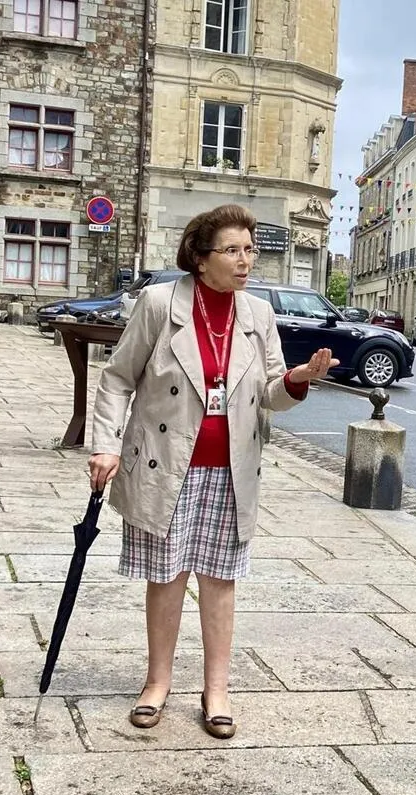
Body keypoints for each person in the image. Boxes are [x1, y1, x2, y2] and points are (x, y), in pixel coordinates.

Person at [88, 204, 338, 739]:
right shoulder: (160, 304)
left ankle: (216, 689)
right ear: (201, 259)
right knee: (167, 577)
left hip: (230, 469)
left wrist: (298, 378)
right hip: (166, 466)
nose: (245, 260)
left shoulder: (258, 315)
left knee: (221, 580)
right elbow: (116, 379)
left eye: (249, 249)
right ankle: (157, 683)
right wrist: (104, 447)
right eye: (232, 250)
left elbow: (270, 393)